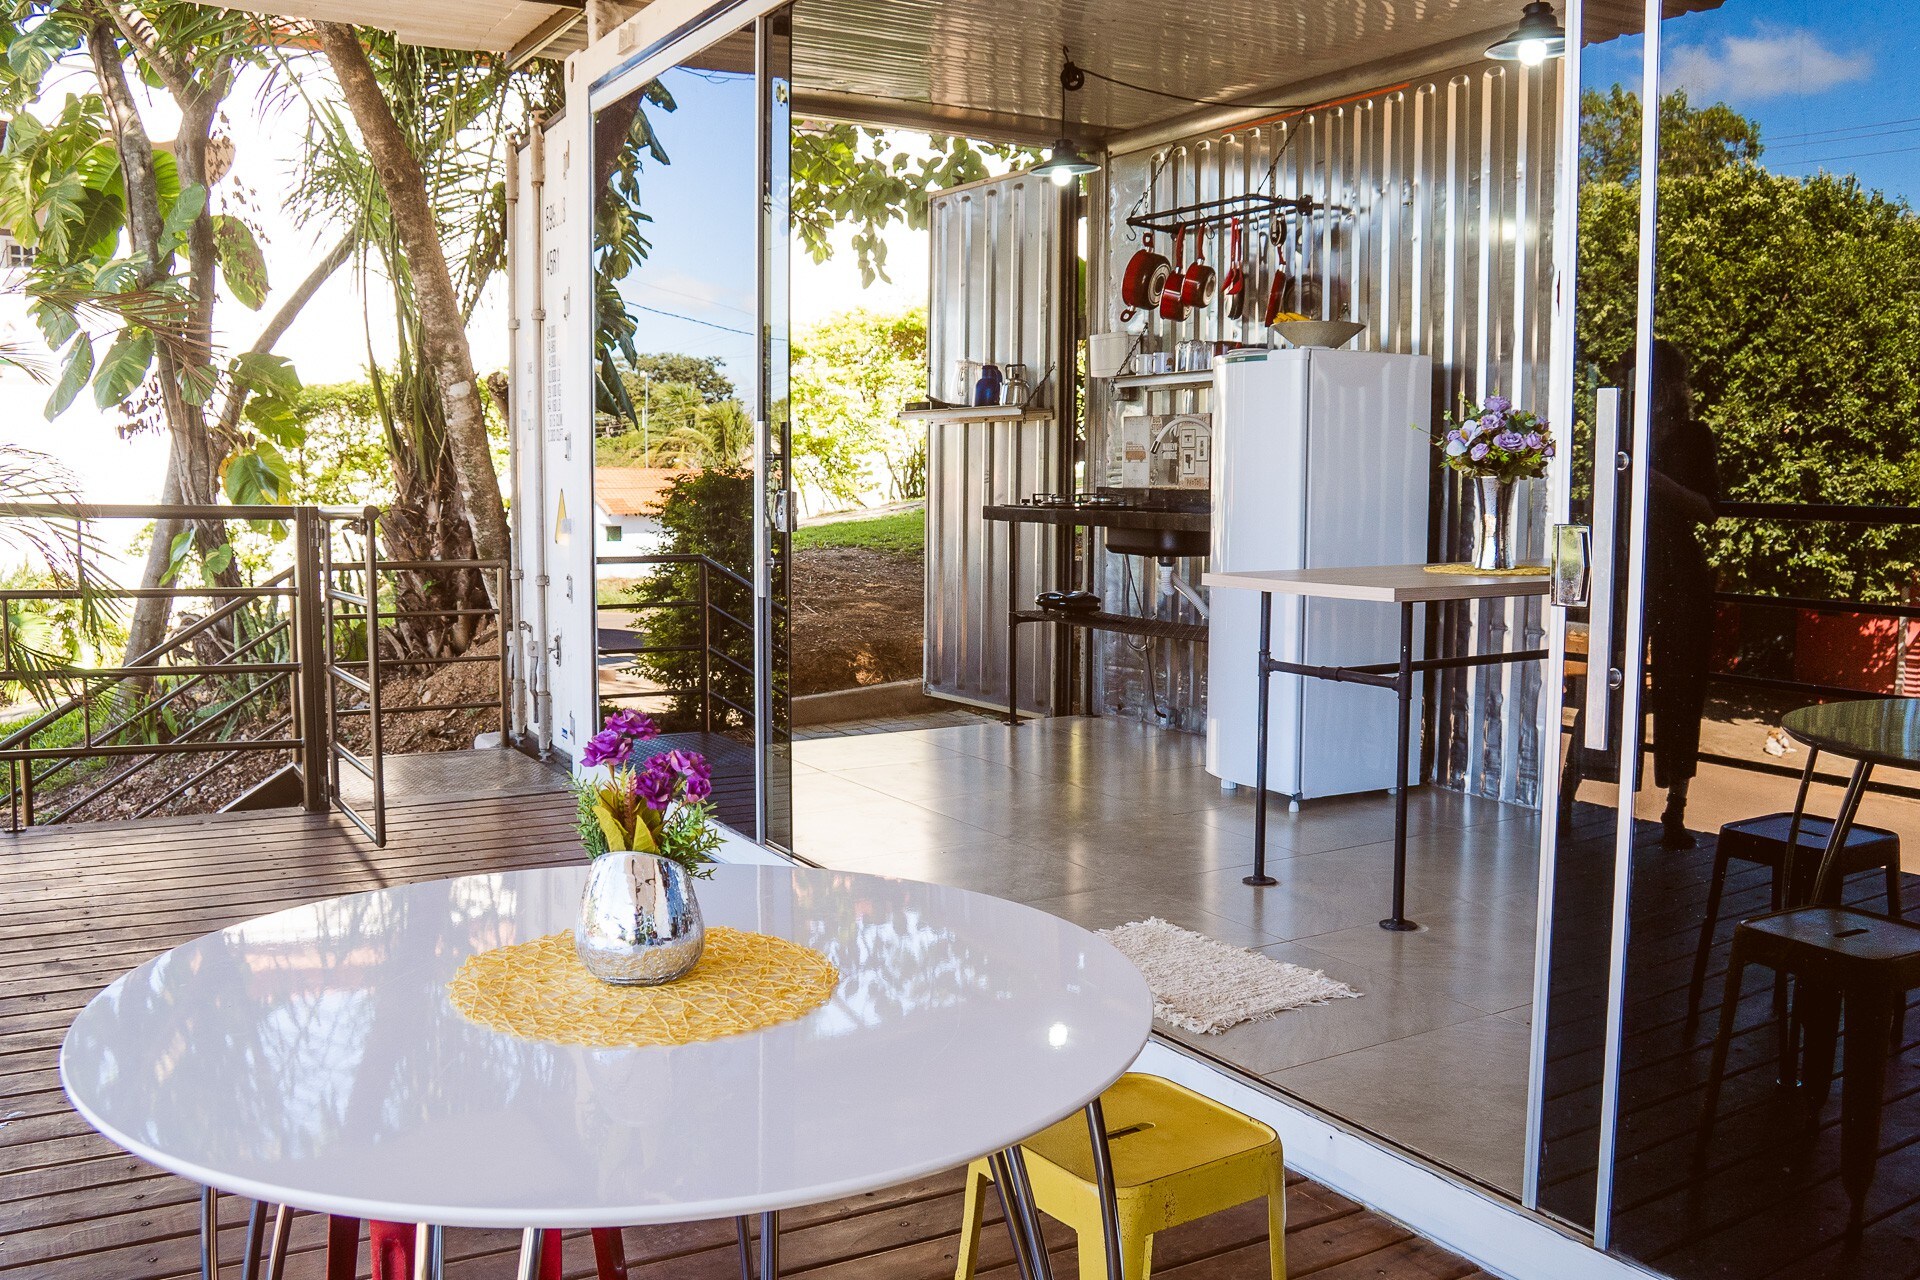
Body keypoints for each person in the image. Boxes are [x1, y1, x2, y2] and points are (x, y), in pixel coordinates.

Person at [1638, 340, 1720, 847]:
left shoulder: (1694, 437)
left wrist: (1654, 483)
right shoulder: (1624, 430)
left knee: (1681, 688)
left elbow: (1710, 508)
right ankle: (1568, 788)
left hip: (1677, 573)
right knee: (1612, 682)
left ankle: (1676, 809)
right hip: (1637, 569)